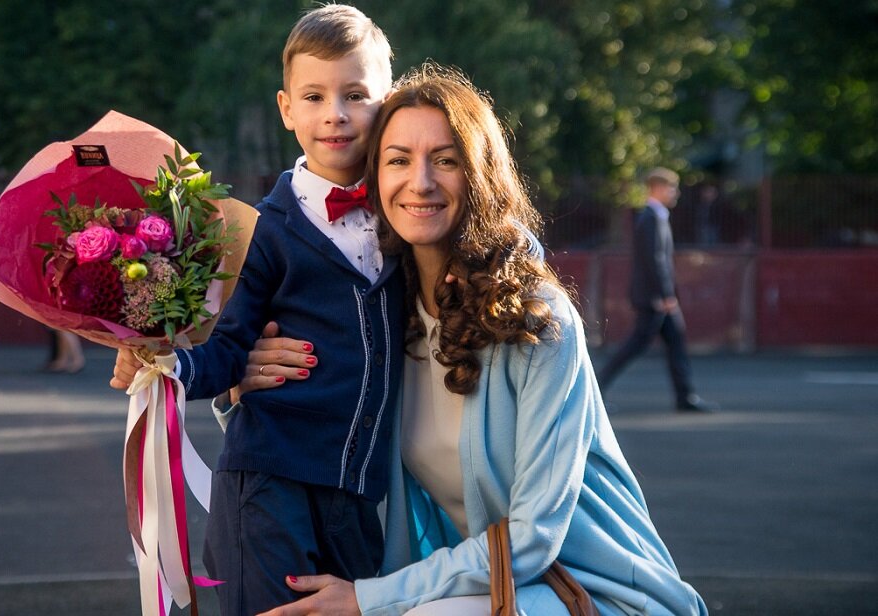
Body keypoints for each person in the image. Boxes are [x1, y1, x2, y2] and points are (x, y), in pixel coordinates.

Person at [221, 64, 706, 615]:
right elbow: (332, 428)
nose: (420, 182)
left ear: (479, 174)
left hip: (597, 592)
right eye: (398, 160)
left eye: (445, 160)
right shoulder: (389, 318)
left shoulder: (538, 321)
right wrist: (244, 379)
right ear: (373, 179)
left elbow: (531, 535)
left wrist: (369, 598)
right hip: (483, 589)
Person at [113, 6, 400, 613]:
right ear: (286, 108)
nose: (335, 113)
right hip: (267, 482)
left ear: (388, 101)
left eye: (356, 94)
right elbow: (231, 345)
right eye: (315, 96)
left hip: (355, 494)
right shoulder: (266, 231)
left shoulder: (407, 217)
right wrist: (165, 367)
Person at [596, 168, 716, 413]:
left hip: (657, 297)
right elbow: (655, 259)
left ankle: (685, 397)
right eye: (672, 188)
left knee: (675, 343)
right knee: (633, 347)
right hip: (654, 299)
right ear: (658, 188)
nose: (676, 193)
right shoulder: (650, 217)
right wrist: (664, 295)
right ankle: (595, 393)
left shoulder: (656, 216)